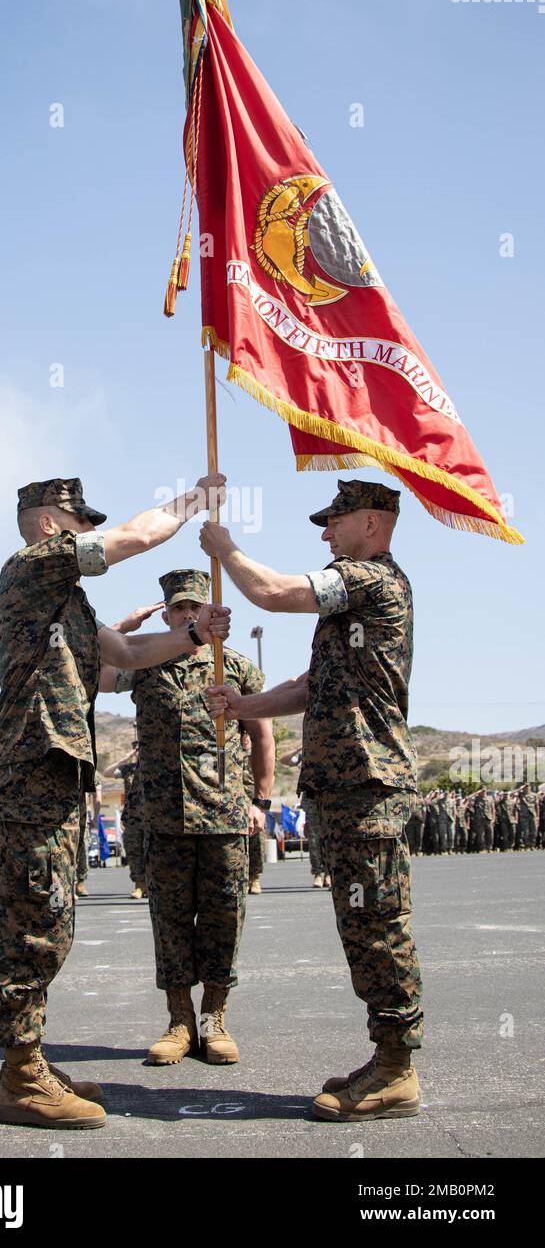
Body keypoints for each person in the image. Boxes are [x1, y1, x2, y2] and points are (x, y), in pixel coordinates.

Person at [0, 473, 229, 1131]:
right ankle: (21, 1077)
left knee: (50, 918)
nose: (90, 531)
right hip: (30, 765)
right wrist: (191, 504)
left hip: (55, 770)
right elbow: (133, 537)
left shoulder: (74, 607)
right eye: (79, 519)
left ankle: (26, 1062)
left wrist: (196, 637)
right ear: (47, 522)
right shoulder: (33, 567)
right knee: (35, 922)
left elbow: (128, 653)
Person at [201, 478, 423, 1122]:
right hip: (346, 786)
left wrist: (226, 548)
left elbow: (272, 594)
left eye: (336, 520)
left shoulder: (372, 579)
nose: (325, 533)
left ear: (373, 525)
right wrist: (245, 706)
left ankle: (397, 1067)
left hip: (368, 783)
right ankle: (388, 1055)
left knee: (379, 926)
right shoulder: (353, 591)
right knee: (362, 926)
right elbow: (309, 686)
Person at [100, 568, 275, 1066]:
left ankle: (214, 1018)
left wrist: (260, 802)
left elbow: (262, 736)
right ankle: (179, 1021)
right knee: (170, 919)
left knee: (224, 915)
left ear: (210, 612)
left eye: (196, 607)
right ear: (169, 613)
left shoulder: (236, 666)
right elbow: (96, 672)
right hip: (162, 814)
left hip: (223, 812)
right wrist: (125, 629)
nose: (188, 614)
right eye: (178, 608)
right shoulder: (146, 666)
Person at [280, 746, 331, 888]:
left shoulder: (329, 751)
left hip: (328, 800)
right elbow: (284, 760)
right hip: (311, 801)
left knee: (328, 839)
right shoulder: (305, 755)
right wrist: (298, 749)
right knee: (314, 840)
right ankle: (317, 874)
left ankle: (329, 873)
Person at [103, 744, 146, 899]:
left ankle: (152, 885)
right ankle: (139, 885)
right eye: (137, 750)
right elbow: (106, 772)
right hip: (133, 817)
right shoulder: (129, 769)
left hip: (153, 818)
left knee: (153, 853)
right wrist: (123, 759)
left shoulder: (157, 766)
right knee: (134, 852)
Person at [242, 729, 266, 895]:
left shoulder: (255, 754)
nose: (244, 739)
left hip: (252, 798)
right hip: (235, 798)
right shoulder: (230, 750)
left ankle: (255, 877)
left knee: (256, 838)